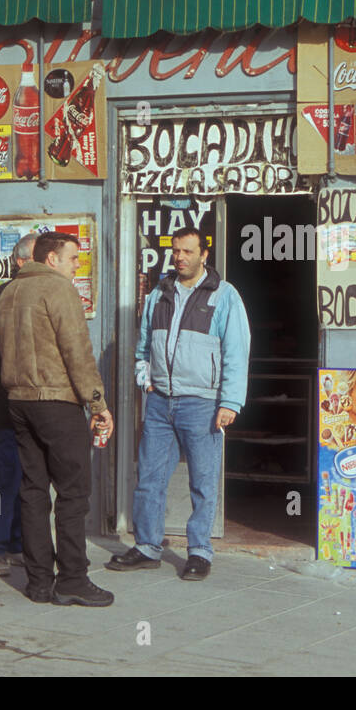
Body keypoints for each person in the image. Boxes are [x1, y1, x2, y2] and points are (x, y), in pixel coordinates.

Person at [107, 226, 250, 581]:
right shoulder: (160, 292)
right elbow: (143, 345)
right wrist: (144, 377)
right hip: (160, 402)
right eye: (176, 251)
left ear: (204, 255)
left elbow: (237, 351)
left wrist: (230, 402)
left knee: (203, 481)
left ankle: (199, 551)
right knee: (149, 478)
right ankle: (147, 547)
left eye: (187, 251)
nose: (179, 257)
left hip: (202, 402)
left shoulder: (224, 295)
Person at [0, 232, 115, 607]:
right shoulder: (59, 289)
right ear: (51, 259)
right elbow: (77, 351)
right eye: (73, 259)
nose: (76, 266)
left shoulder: (8, 292)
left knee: (33, 491)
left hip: (18, 401)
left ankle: (39, 582)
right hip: (56, 402)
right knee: (73, 493)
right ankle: (74, 580)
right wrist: (98, 404)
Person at [0, 232, 36, 578]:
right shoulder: (3, 299)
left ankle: (13, 543)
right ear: (20, 261)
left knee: (23, 477)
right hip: (7, 403)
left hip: (17, 403)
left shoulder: (9, 296)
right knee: (5, 477)